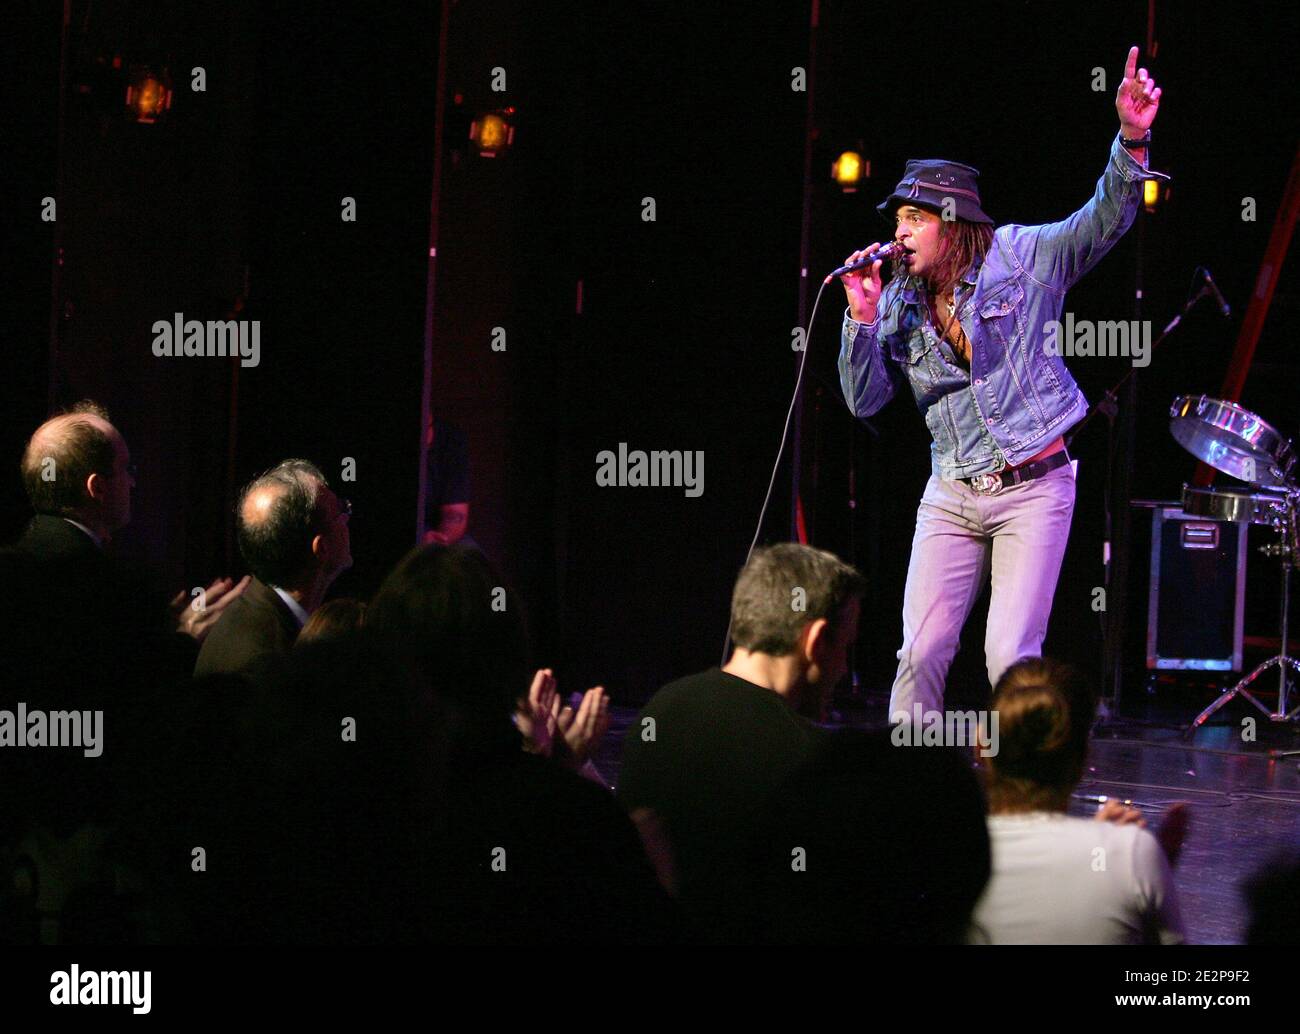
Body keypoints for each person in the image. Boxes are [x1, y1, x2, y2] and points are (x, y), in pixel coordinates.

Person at [837, 47, 1166, 718]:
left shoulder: (1021, 257)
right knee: (921, 651)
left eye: (913, 219)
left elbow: (1101, 221)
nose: (898, 234)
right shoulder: (895, 303)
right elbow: (866, 401)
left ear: (951, 223)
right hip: (952, 491)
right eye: (896, 220)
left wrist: (1131, 138)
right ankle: (912, 783)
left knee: (1010, 656)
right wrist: (861, 320)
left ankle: (1021, 795)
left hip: (1034, 487)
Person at [617, 543, 864, 938]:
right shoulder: (815, 763)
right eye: (846, 647)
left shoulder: (660, 710)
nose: (844, 668)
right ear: (816, 640)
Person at [969, 657, 1187, 944]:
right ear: (1085, 757)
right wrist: (1141, 867)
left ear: (980, 746)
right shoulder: (1130, 853)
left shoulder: (947, 858)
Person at [195, 459, 352, 678]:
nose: (347, 520)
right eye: (341, 511)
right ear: (322, 549)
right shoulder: (268, 665)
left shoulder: (258, 613)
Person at [422, 414, 471, 546]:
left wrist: (440, 540)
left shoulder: (450, 440)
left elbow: (455, 513)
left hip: (434, 531)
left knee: (470, 559)